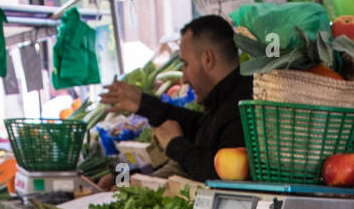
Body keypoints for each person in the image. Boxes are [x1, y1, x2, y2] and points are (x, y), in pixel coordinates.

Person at [100, 15, 252, 182]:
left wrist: (176, 145)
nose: (183, 79)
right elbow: (198, 125)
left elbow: (224, 177)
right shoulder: (226, 100)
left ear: (208, 59)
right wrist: (143, 104)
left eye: (185, 64)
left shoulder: (244, 109)